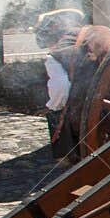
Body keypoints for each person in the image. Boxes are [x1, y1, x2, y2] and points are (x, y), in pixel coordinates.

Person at [34, 8, 85, 159]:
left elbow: (61, 89)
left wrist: (53, 108)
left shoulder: (53, 57)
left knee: (56, 110)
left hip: (86, 111)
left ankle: (69, 158)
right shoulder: (103, 34)